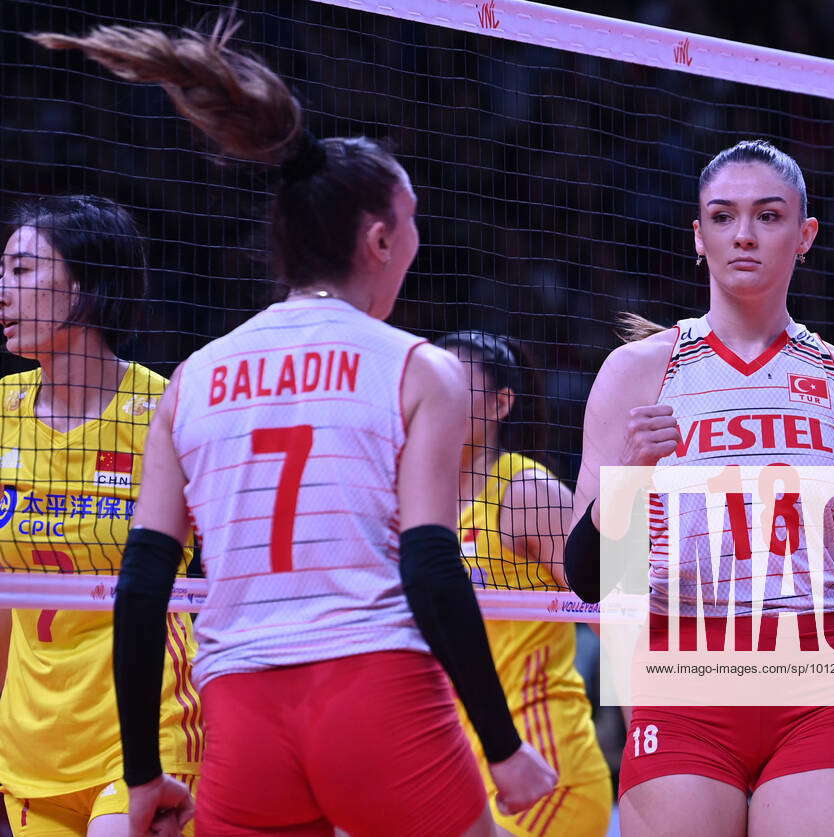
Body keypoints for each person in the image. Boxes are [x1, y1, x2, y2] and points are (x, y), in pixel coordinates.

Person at [30, 19, 557, 837]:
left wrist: (140, 773)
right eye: (411, 223)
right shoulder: (420, 367)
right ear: (381, 239)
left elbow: (140, 588)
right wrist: (502, 747)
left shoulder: (195, 377)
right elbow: (429, 567)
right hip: (377, 694)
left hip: (242, 713)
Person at [563, 140, 834, 836]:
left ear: (805, 235)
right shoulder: (638, 371)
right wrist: (628, 476)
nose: (744, 234)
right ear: (697, 237)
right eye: (723, 216)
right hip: (682, 680)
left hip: (817, 684)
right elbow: (586, 575)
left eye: (768, 216)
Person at [0, 195, 201, 836]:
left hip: (150, 725)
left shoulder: (168, 411)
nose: (3, 290)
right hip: (31, 744)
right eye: (2, 272)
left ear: (85, 285)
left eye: (24, 271)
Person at [437, 331, 612, 836]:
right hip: (453, 765)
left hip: (545, 765)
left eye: (453, 384)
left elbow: (617, 617)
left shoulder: (527, 493)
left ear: (500, 403)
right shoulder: (419, 501)